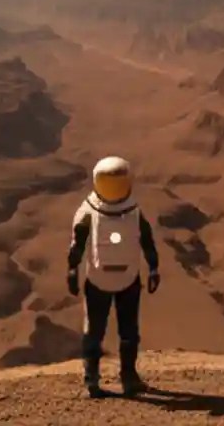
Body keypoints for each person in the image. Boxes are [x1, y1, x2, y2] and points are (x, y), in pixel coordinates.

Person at [67, 155, 160, 398]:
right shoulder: (133, 211)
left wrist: (72, 270)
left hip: (98, 279)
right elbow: (147, 241)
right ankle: (129, 378)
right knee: (128, 331)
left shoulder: (89, 210)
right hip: (129, 279)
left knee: (94, 331)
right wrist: (153, 268)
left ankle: (92, 380)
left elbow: (77, 244)